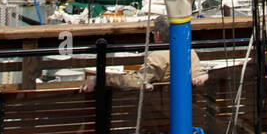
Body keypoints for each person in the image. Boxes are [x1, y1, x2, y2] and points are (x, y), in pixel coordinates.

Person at [79, 16, 208, 91]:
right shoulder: (190, 52)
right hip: (192, 114)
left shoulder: (158, 57)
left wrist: (101, 79)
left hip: (163, 115)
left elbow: (136, 81)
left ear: (157, 35)